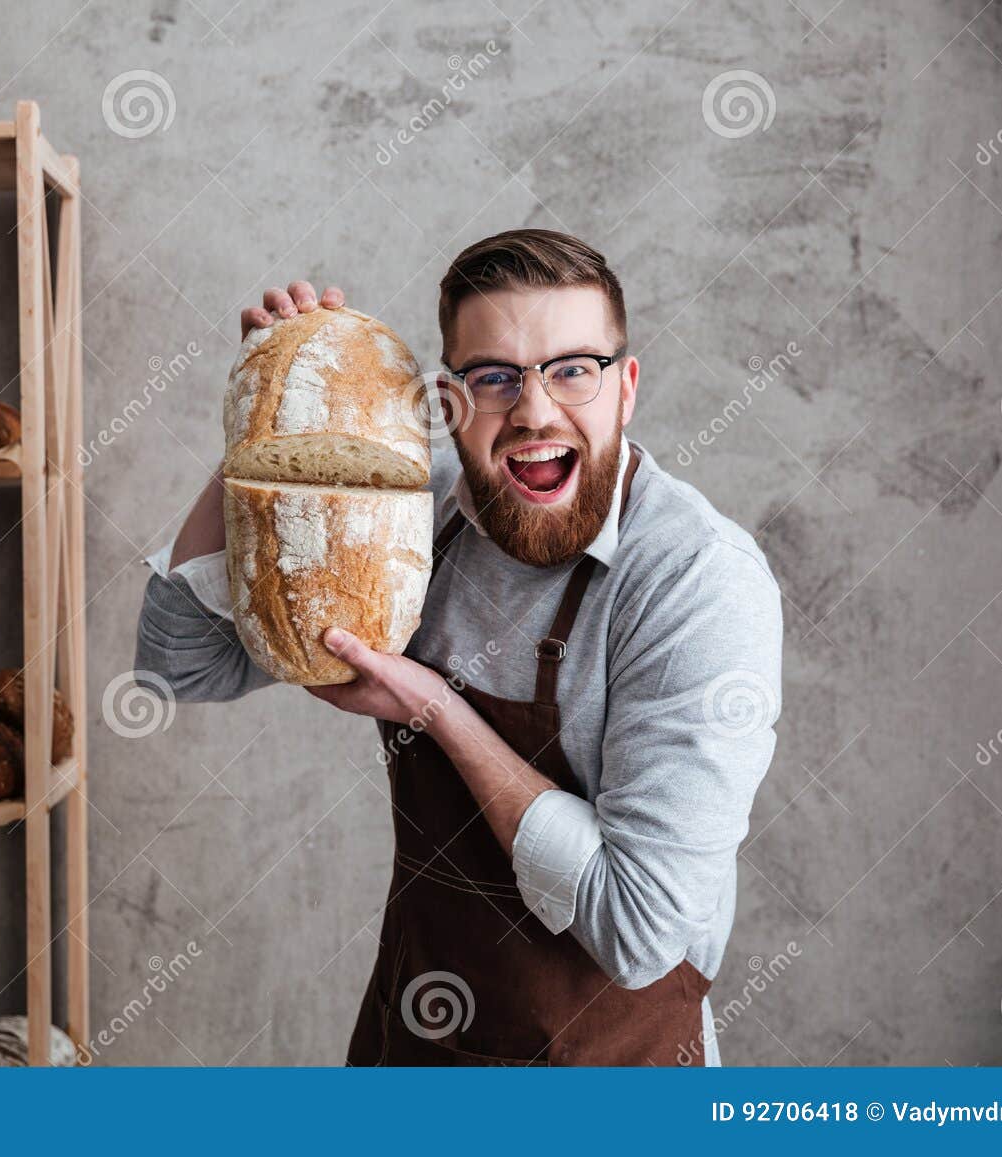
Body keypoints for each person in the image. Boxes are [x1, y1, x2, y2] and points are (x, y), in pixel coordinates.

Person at [135, 228, 783, 1066]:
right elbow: (178, 662)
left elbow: (640, 929)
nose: (536, 410)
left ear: (625, 388)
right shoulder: (415, 511)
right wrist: (271, 422)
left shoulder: (696, 582)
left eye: (572, 369)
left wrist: (437, 711)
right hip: (418, 1035)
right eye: (496, 377)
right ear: (448, 402)